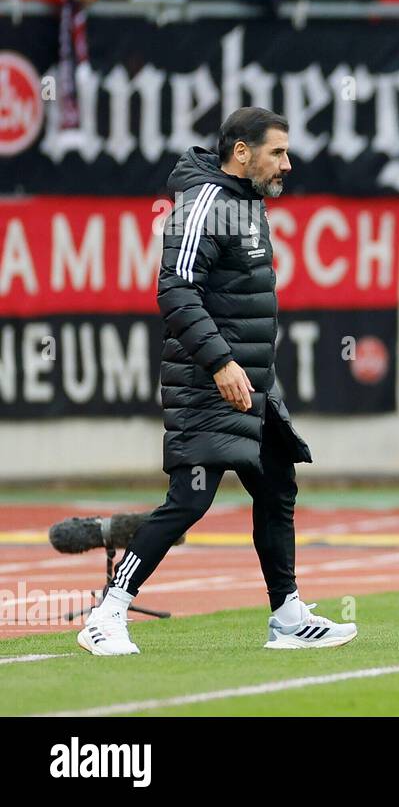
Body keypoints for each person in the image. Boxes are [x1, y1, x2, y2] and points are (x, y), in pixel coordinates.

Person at [76, 108, 357, 656]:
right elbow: (175, 291)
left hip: (254, 384)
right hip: (210, 381)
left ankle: (287, 615)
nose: (288, 164)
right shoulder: (204, 203)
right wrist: (220, 364)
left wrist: (247, 372)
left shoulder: (245, 204)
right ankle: (106, 613)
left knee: (277, 489)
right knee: (189, 500)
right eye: (277, 152)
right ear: (242, 152)